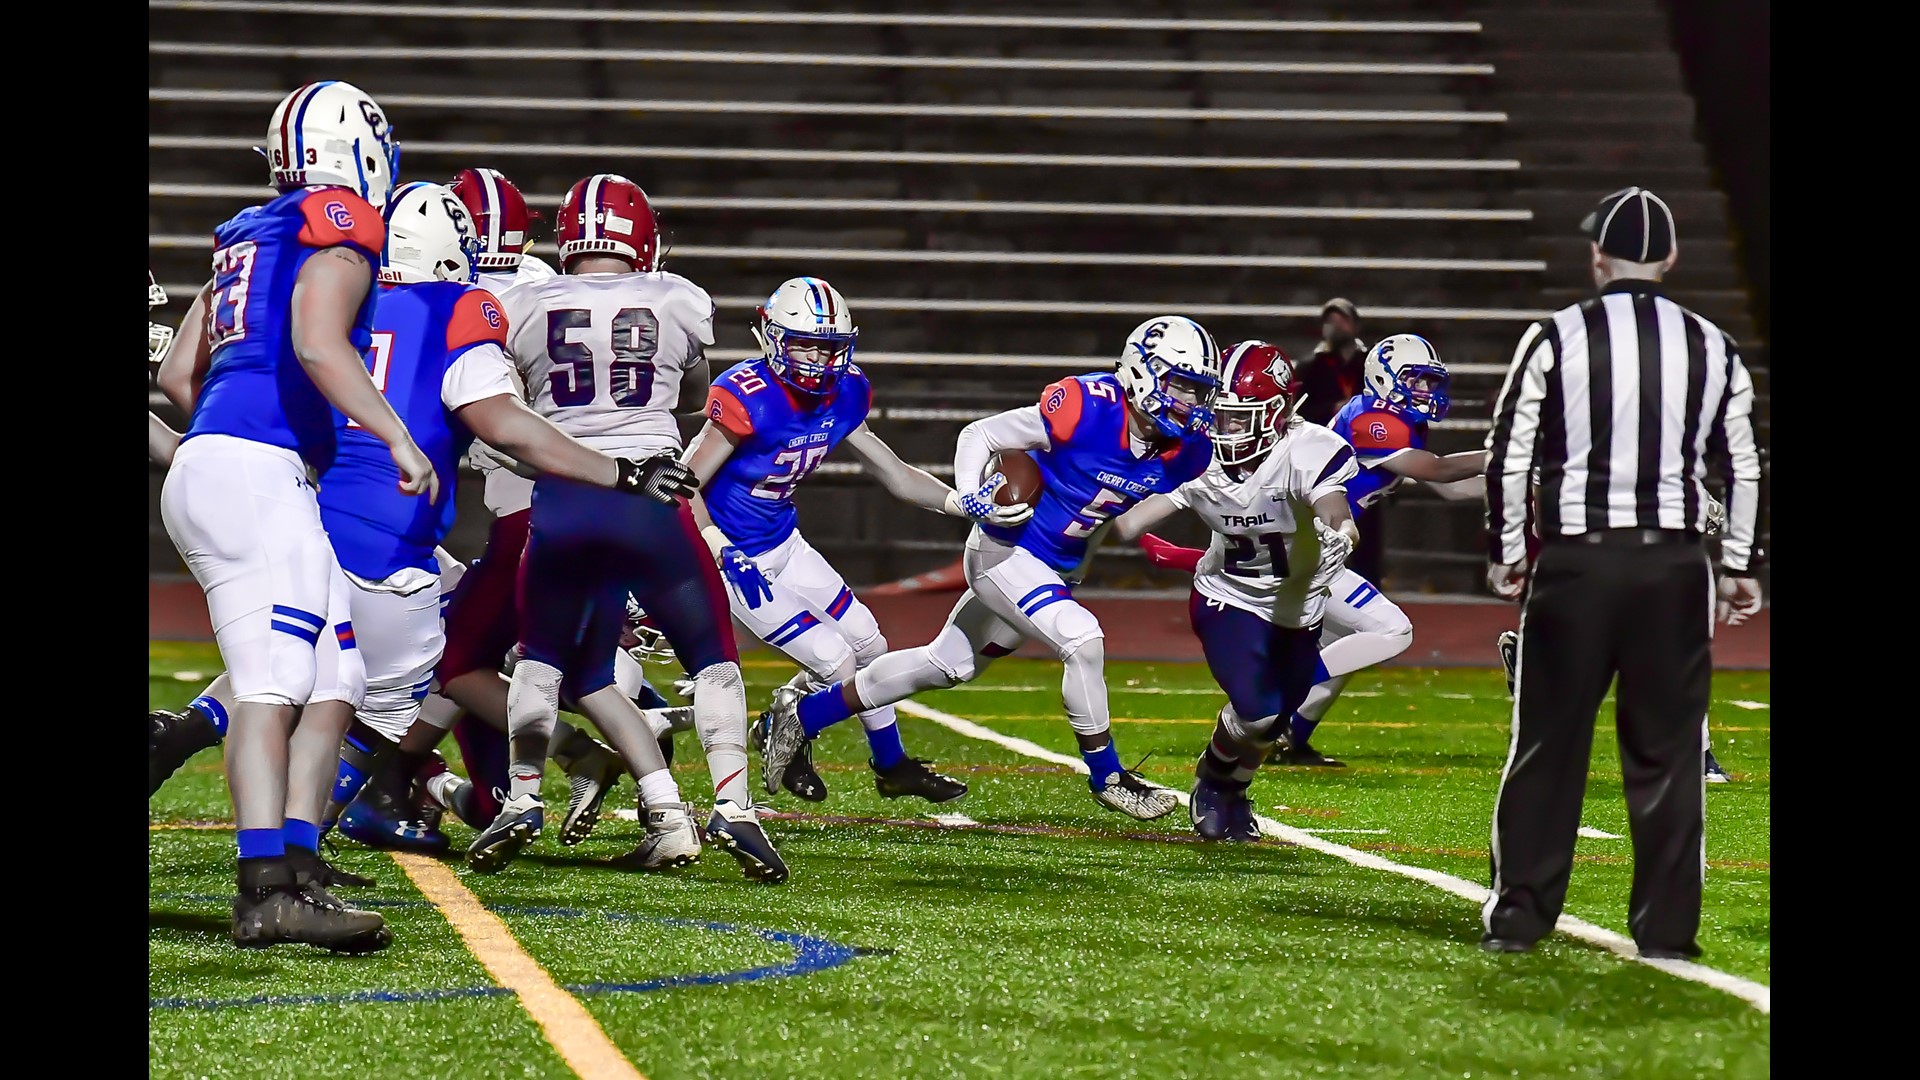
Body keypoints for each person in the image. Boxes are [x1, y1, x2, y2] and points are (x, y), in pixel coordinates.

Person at [762, 316, 1219, 821]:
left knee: (946, 666)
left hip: (1054, 569)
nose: (1192, 404)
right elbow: (980, 434)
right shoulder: (1087, 407)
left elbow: (1115, 518)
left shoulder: (1188, 451)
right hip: (1005, 554)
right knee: (1082, 639)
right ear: (1141, 372)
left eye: (1200, 392)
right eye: (1182, 386)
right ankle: (1107, 775)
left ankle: (802, 715)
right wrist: (975, 497)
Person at [156, 81, 416, 951]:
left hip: (230, 464)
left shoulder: (246, 237)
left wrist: (234, 434)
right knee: (270, 686)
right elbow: (316, 341)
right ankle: (265, 890)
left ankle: (299, 861)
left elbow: (176, 379)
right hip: (257, 472)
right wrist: (393, 434)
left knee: (338, 676)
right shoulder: (339, 220)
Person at [1479, 186, 1763, 958]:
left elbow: (1511, 451)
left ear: (1597, 254)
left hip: (1578, 559)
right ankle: (1667, 932)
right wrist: (1737, 561)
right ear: (1670, 257)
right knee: (1667, 754)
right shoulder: (1712, 343)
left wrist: (1509, 551)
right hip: (1674, 565)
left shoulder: (1558, 335)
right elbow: (1741, 461)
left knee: (1547, 744)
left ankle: (1520, 918)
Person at [486, 173, 786, 881]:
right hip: (654, 495)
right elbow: (689, 387)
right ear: (643, 239)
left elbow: (511, 406)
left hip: (564, 497)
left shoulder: (521, 301)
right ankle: (734, 807)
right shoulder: (678, 297)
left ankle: (522, 800)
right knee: (710, 652)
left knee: (540, 658)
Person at [682, 276, 986, 804]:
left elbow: (893, 471)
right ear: (773, 339)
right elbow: (680, 484)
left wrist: (958, 501)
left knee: (872, 644)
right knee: (833, 660)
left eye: (829, 349)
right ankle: (790, 732)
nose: (818, 362)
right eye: (804, 346)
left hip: (784, 540)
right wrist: (716, 546)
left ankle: (891, 766)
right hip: (734, 560)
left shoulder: (846, 390)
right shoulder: (745, 395)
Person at [1136, 334, 1486, 768]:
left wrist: (1523, 482)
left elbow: (1452, 489)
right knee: (1392, 631)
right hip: (1310, 546)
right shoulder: (1370, 420)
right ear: (1385, 377)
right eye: (1415, 380)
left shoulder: (1398, 425)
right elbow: (1443, 468)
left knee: (1346, 644)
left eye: (1430, 382)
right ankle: (1286, 697)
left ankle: (1291, 737)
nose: (1425, 391)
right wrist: (1507, 453)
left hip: (1309, 545)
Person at [1108, 341, 1359, 839]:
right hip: (1229, 597)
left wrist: (1343, 535)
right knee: (1259, 708)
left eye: (1239, 418)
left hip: (1298, 608)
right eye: (1220, 416)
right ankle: (1212, 782)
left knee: (1274, 717)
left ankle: (1234, 789)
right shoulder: (1196, 457)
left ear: (1278, 412)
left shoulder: (1308, 450)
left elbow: (1336, 509)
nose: (1225, 429)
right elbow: (1128, 523)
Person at [1298, 298, 1384, 584]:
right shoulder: (1311, 366)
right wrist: (1334, 409)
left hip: (1365, 458)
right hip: (1321, 460)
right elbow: (1300, 411)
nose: (1334, 326)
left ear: (1355, 324)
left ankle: (1367, 589)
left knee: (1368, 536)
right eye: (1329, 320)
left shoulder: (1371, 365)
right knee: (1320, 529)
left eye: (1341, 319)